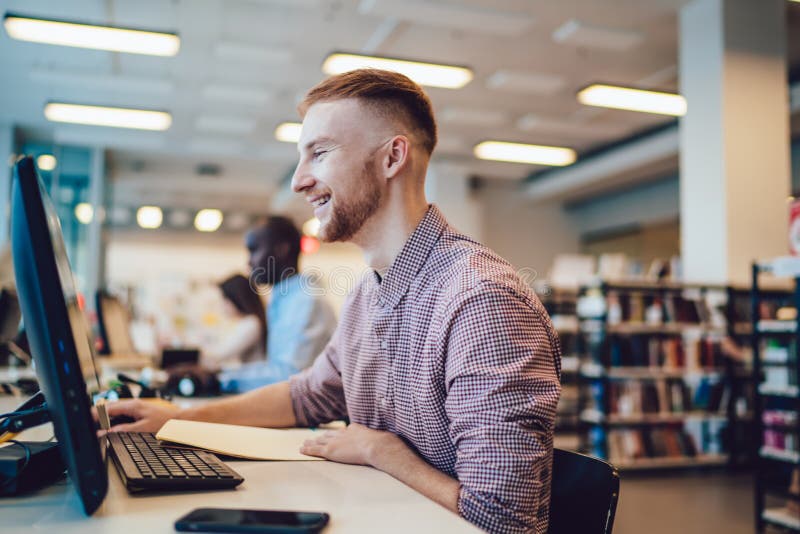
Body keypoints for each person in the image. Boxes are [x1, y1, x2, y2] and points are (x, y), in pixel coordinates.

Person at [103, 69, 562, 533]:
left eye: (319, 154)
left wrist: (381, 452)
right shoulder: (369, 290)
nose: (300, 181)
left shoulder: (482, 302)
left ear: (391, 158)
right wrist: (177, 419)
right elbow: (309, 394)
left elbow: (504, 519)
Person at [215, 216, 337, 392]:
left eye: (254, 250)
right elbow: (277, 368)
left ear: (281, 250)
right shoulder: (283, 300)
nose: (249, 262)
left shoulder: (305, 302)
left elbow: (289, 376)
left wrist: (220, 379)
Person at [201, 274, 267, 367]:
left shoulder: (251, 323)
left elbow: (219, 354)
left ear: (236, 298)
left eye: (225, 300)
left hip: (254, 378)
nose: (222, 305)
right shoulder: (248, 322)